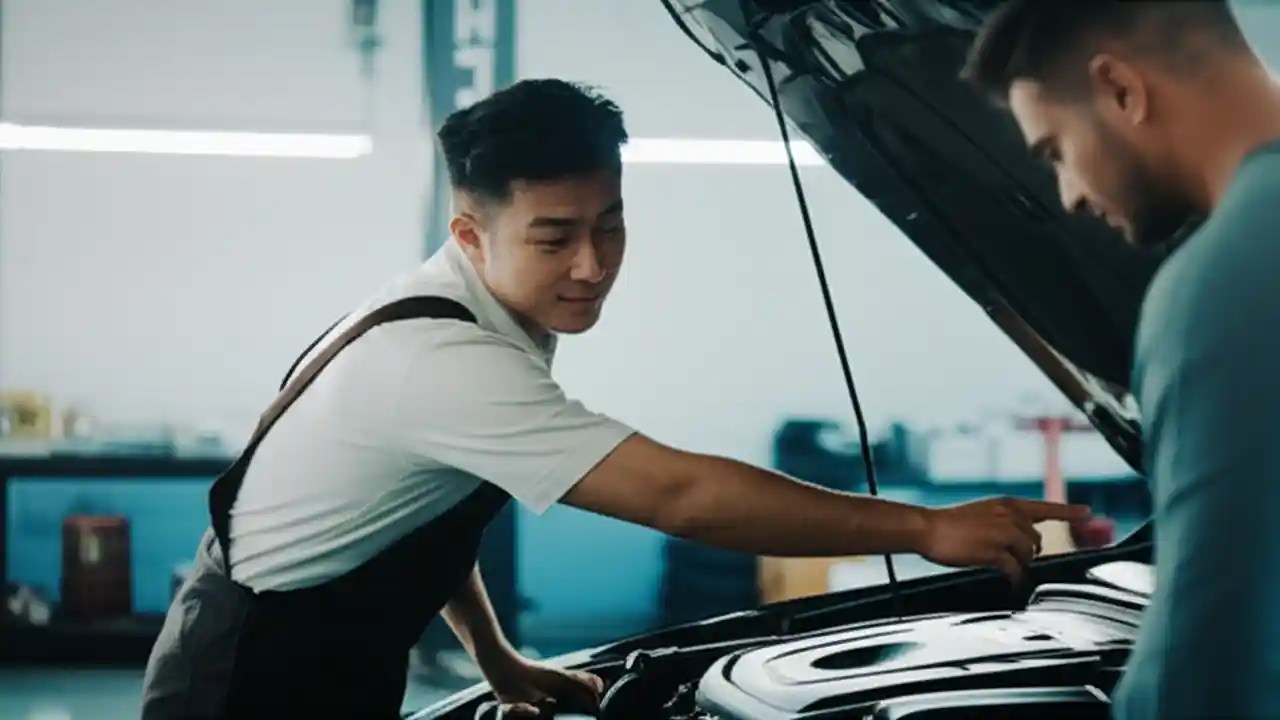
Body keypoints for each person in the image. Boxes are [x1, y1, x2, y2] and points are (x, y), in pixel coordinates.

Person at [140, 77, 1089, 719]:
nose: (592, 265)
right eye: (554, 238)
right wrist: (923, 528)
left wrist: (499, 660)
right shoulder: (440, 359)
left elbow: (422, 516)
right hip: (244, 684)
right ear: (470, 234)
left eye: (611, 225)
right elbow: (681, 495)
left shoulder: (475, 313)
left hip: (314, 661)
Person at [962, 2, 1280, 718]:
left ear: (1119, 89)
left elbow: (1214, 667)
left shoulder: (1229, 276)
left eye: (1055, 151)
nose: (1070, 195)